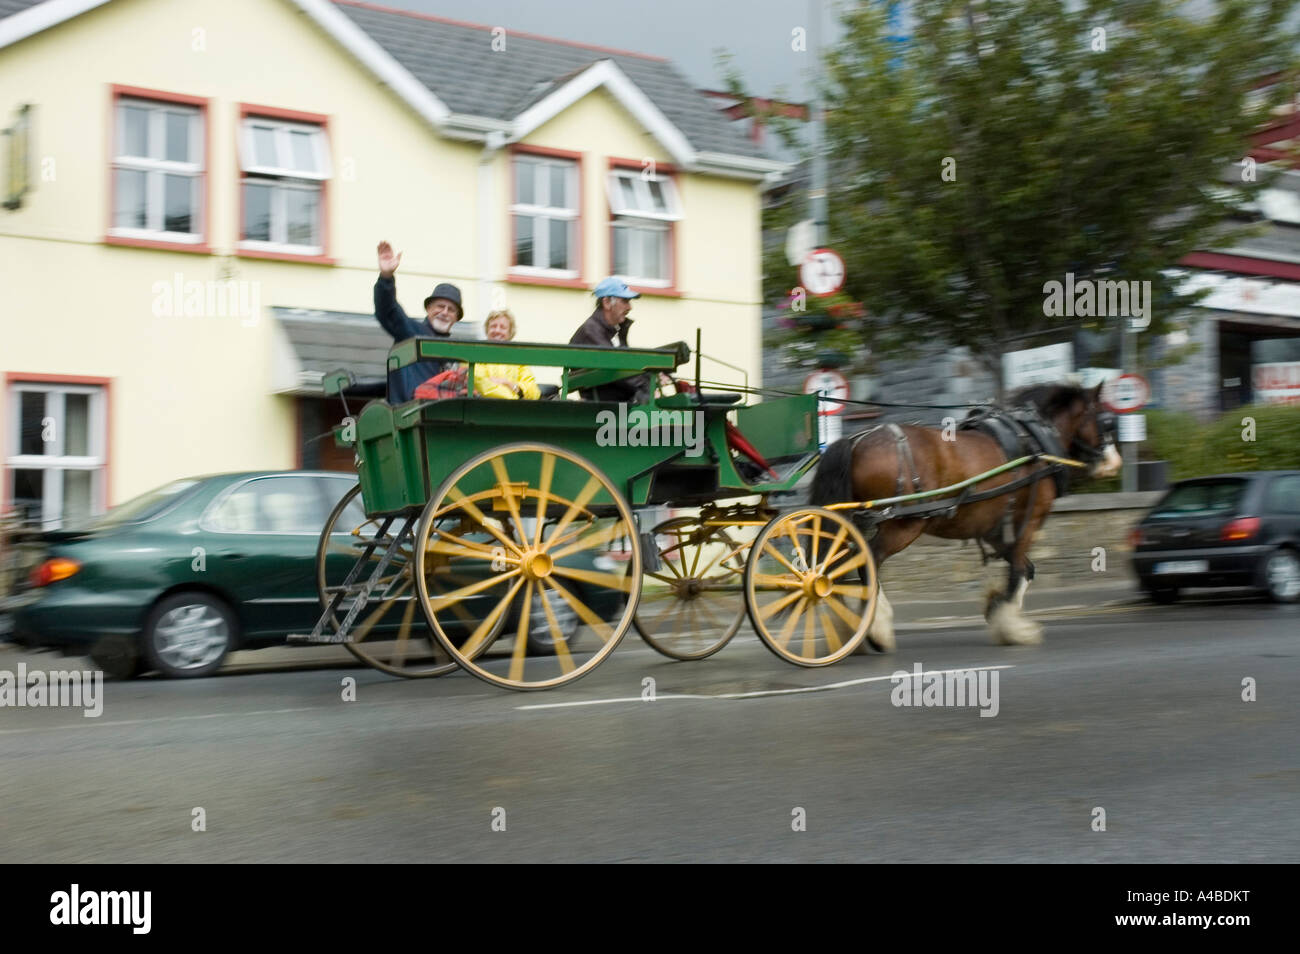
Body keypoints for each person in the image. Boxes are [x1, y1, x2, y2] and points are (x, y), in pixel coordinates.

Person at [373, 240, 463, 403]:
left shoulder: (457, 351)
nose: (444, 312)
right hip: (410, 414)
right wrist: (386, 277)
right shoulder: (411, 332)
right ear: (428, 309)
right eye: (440, 306)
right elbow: (387, 310)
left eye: (451, 310)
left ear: (456, 318)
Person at [569, 277, 667, 403]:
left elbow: (622, 365)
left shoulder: (605, 330)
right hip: (607, 404)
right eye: (625, 301)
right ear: (607, 303)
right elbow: (618, 367)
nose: (630, 307)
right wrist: (651, 381)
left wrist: (653, 376)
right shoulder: (592, 331)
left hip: (614, 400)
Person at [472, 309, 540, 400]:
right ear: (487, 330)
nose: (497, 330)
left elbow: (534, 392)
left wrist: (508, 384)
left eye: (503, 327)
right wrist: (514, 395)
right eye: (493, 326)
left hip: (514, 411)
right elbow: (479, 383)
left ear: (510, 332)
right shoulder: (477, 354)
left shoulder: (519, 358)